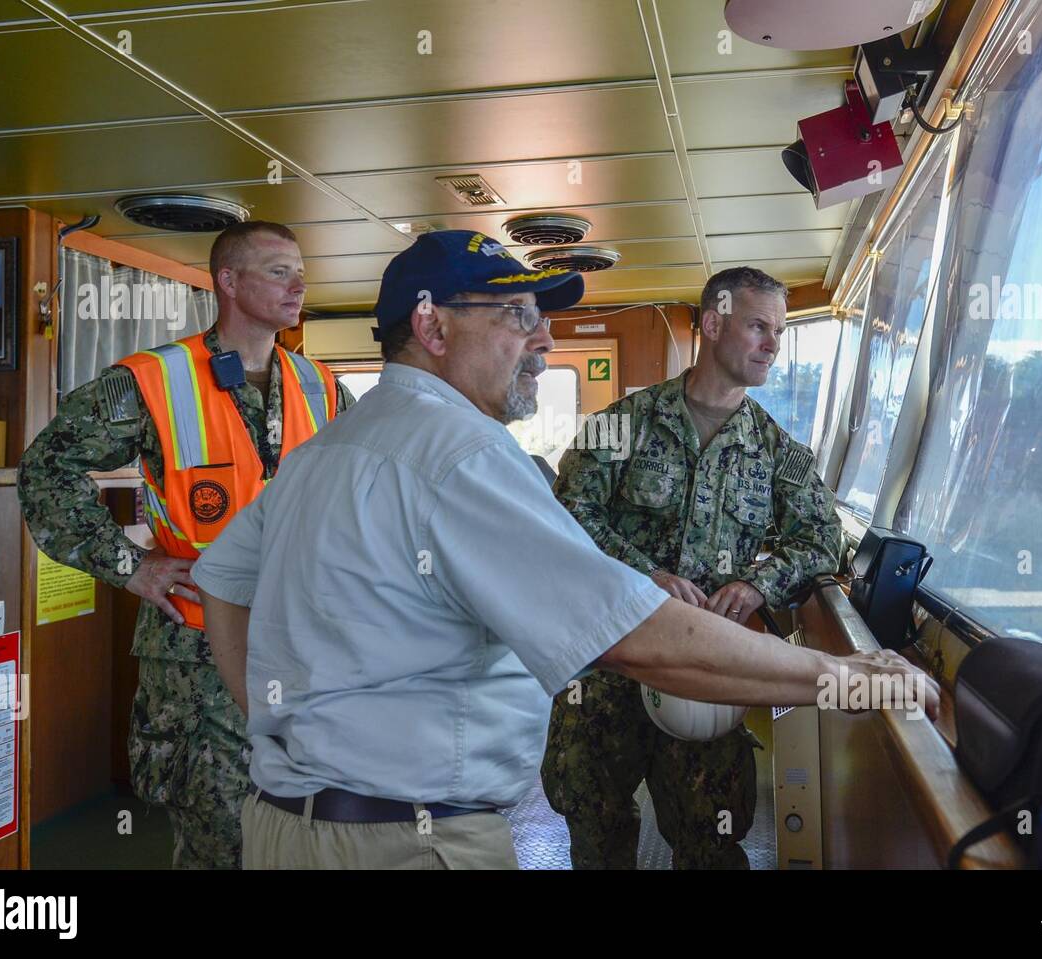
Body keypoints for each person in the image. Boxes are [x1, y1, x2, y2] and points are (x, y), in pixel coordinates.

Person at [191, 229, 936, 870]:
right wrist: (847, 677)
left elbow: (223, 579)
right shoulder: (460, 455)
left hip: (285, 824)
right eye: (517, 315)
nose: (543, 338)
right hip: (407, 841)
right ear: (433, 326)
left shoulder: (329, 448)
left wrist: (281, 719)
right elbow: (640, 637)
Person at [18, 221, 353, 868]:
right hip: (197, 654)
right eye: (278, 270)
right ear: (228, 281)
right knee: (220, 840)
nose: (298, 284)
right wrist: (130, 565)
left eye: (300, 271)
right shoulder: (151, 381)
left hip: (305, 646)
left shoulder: (325, 386)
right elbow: (45, 469)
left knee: (305, 828)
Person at [540, 266, 841, 869]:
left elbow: (821, 539)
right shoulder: (622, 425)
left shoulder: (778, 452)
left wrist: (759, 584)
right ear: (712, 322)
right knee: (594, 824)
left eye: (778, 331)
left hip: (707, 669)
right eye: (758, 326)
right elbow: (567, 514)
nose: (772, 344)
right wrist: (643, 576)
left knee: (712, 837)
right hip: (610, 660)